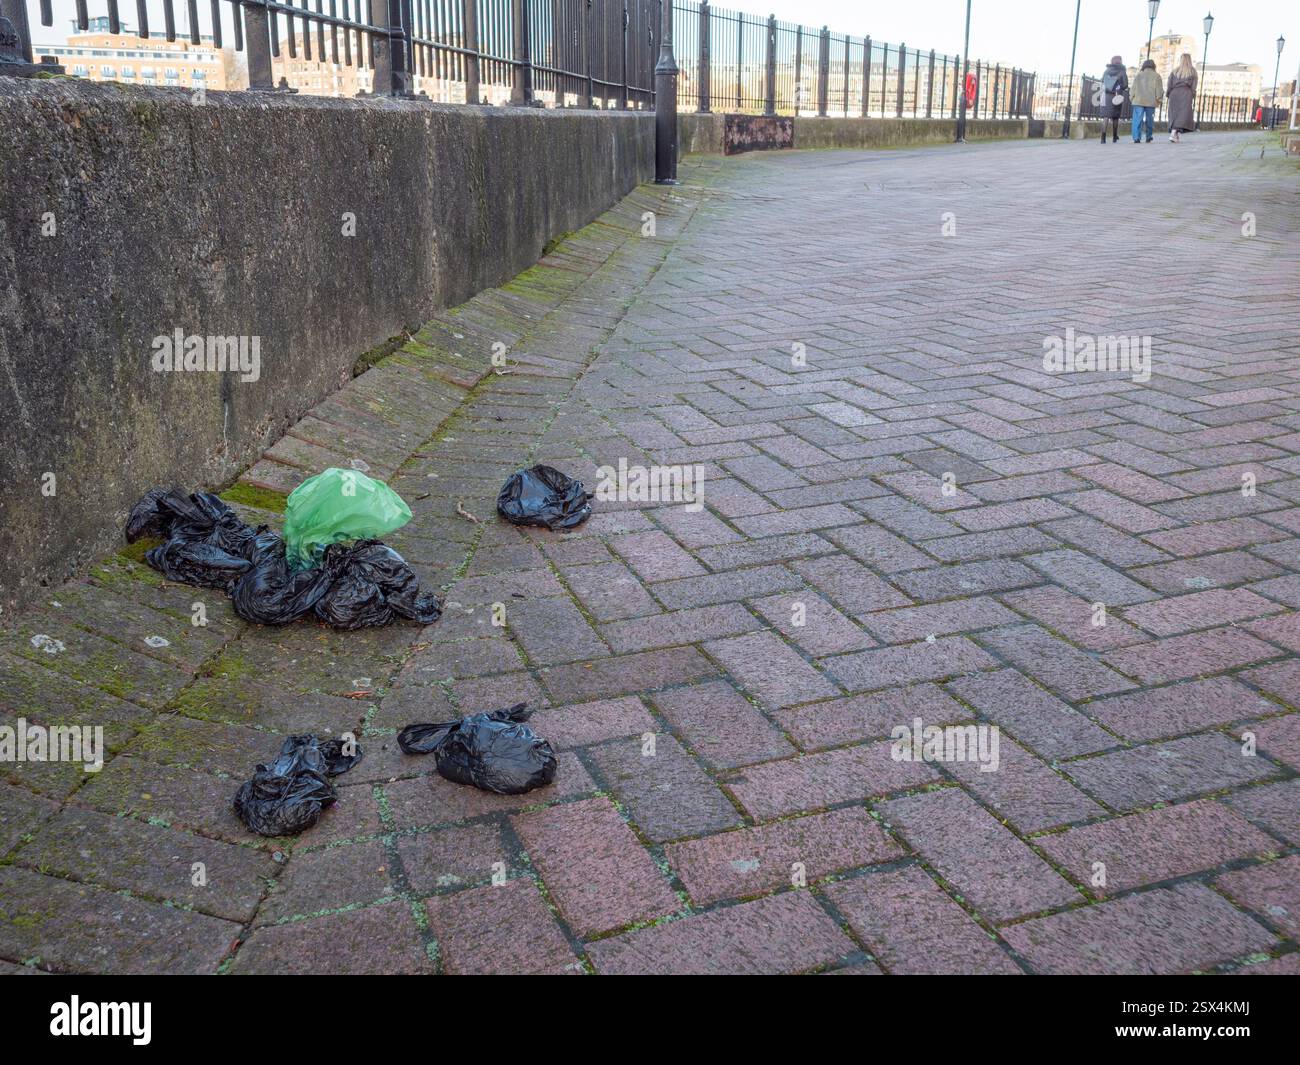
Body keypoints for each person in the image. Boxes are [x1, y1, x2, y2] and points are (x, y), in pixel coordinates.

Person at [1167, 53, 1198, 142]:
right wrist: (1192, 95)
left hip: (1174, 93)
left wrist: (1169, 94)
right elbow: (1194, 86)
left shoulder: (1174, 71)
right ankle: (1173, 133)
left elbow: (1169, 84)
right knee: (1183, 115)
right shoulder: (1193, 71)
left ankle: (1176, 136)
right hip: (1186, 93)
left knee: (1174, 114)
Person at [1130, 58, 1162, 142]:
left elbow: (1133, 89)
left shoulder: (1139, 75)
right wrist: (1159, 99)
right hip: (1150, 101)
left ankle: (1136, 137)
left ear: (1144, 66)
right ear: (1153, 66)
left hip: (1138, 100)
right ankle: (1148, 136)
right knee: (1149, 119)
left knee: (1137, 119)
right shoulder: (1157, 76)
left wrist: (1131, 97)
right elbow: (1159, 90)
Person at [1100, 55, 1130, 144]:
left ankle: (1103, 138)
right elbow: (1125, 85)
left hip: (1107, 96)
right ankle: (1114, 137)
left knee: (1106, 116)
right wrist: (1118, 86)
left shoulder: (1107, 71)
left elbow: (1102, 81)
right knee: (1115, 117)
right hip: (1116, 96)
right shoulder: (1122, 71)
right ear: (1120, 61)